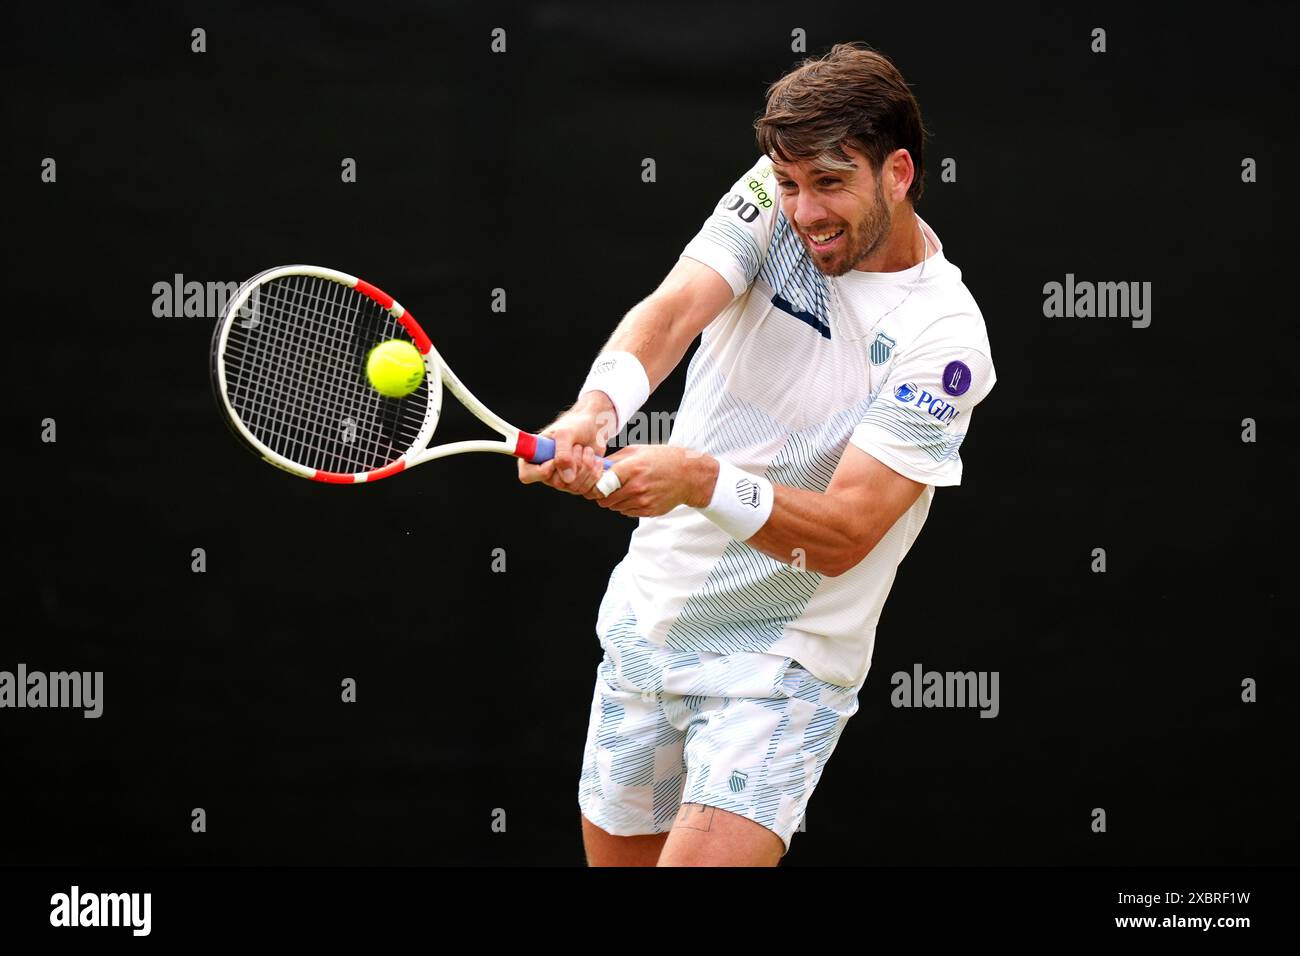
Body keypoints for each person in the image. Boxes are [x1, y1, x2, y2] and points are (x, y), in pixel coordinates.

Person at [519, 42, 997, 866]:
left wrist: (700, 480)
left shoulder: (945, 340)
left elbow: (847, 534)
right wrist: (595, 410)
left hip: (781, 670)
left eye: (830, 183)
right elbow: (672, 312)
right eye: (789, 183)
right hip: (649, 624)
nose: (804, 210)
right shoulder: (770, 201)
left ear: (899, 174)